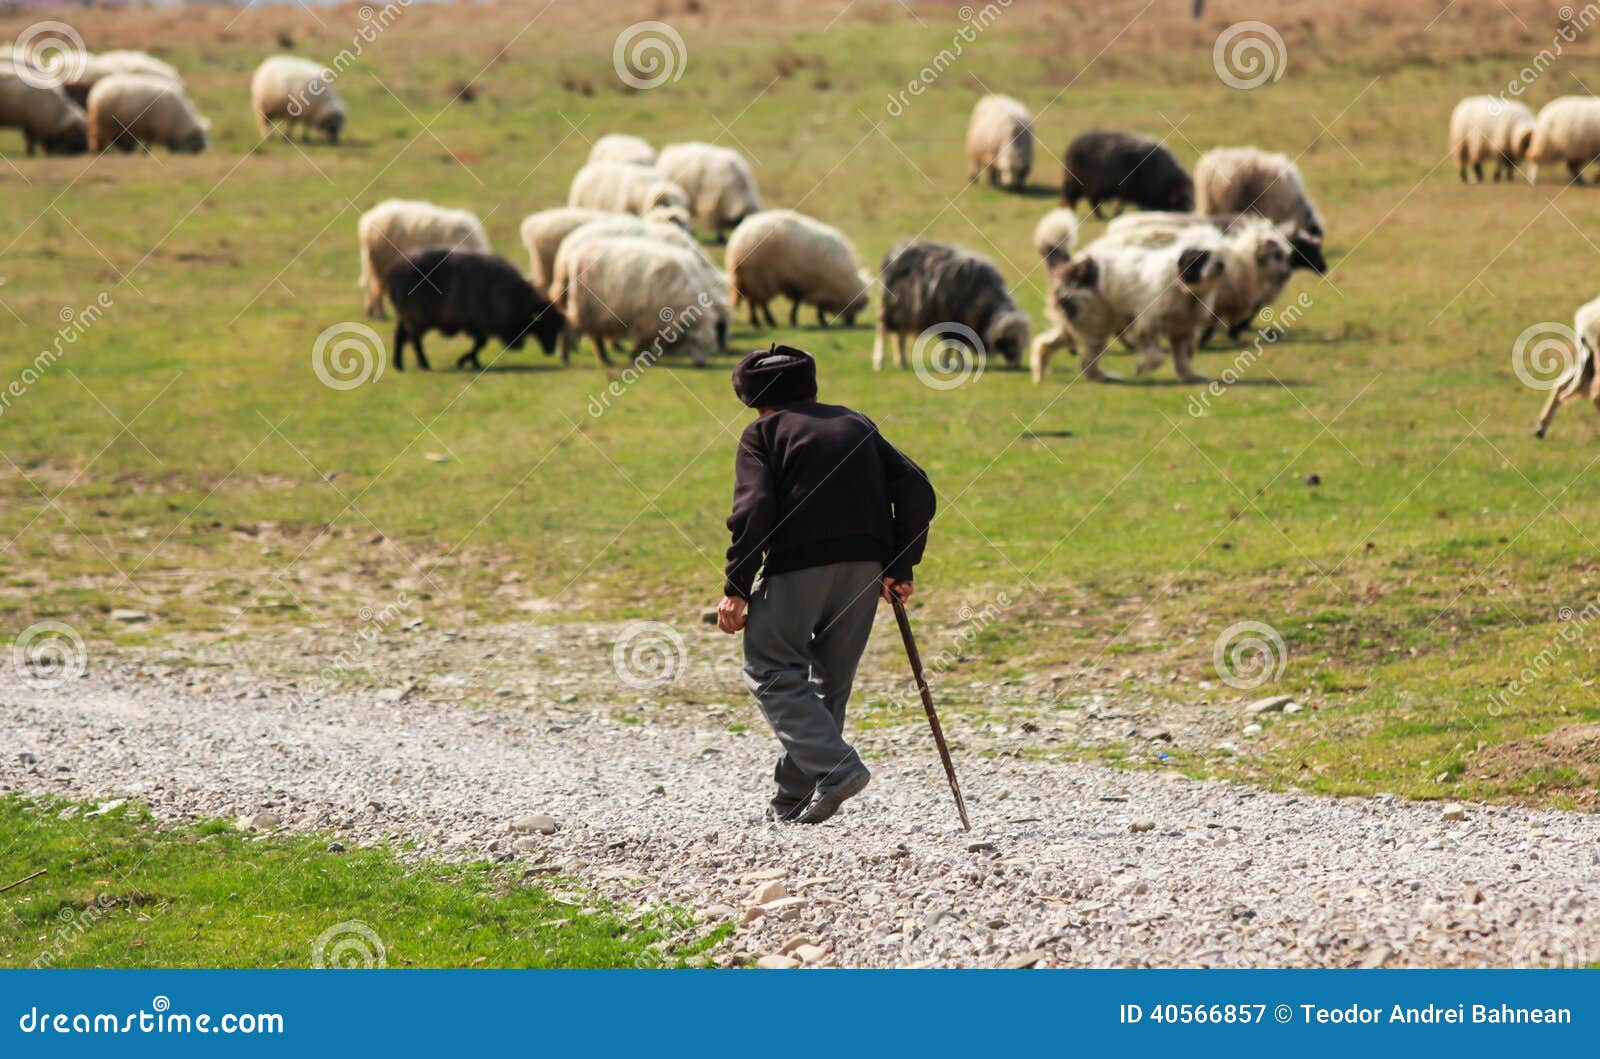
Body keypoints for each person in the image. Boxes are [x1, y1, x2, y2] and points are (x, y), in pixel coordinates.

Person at [717, 344, 936, 824]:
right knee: (828, 685)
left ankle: (837, 770)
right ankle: (791, 800)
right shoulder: (856, 423)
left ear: (753, 400)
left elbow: (753, 512)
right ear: (812, 386)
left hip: (798, 567)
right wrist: (901, 565)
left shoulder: (763, 433)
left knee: (770, 668)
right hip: (864, 571)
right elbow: (917, 486)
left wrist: (736, 586)